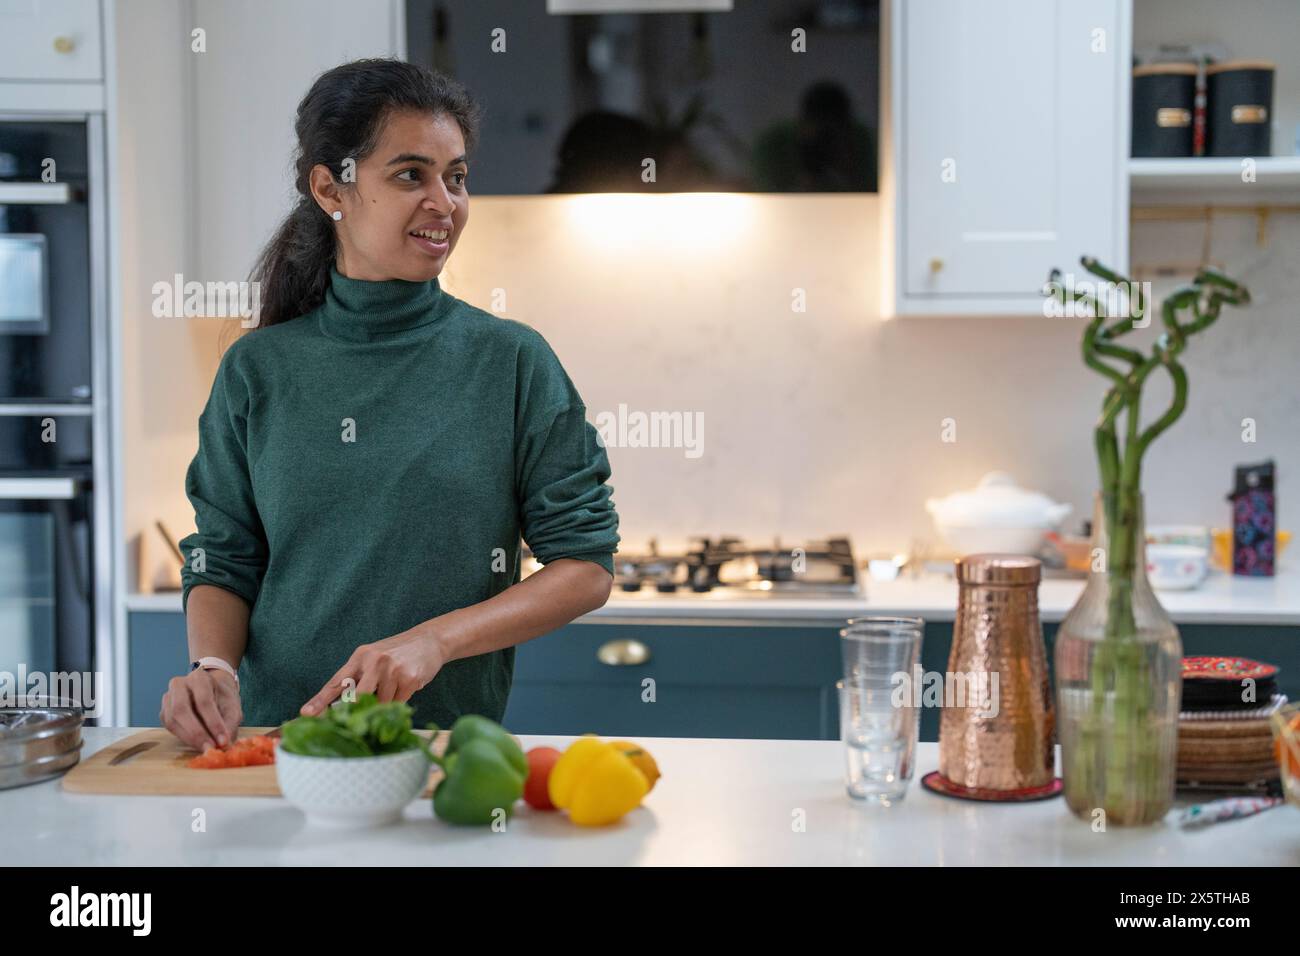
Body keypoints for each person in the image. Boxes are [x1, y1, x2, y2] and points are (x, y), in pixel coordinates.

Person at [160, 59, 619, 751]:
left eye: (456, 176)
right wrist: (213, 666)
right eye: (411, 175)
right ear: (330, 188)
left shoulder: (512, 362)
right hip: (274, 748)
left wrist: (433, 642)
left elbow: (585, 566)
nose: (445, 202)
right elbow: (225, 557)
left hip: (444, 755)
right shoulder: (257, 369)